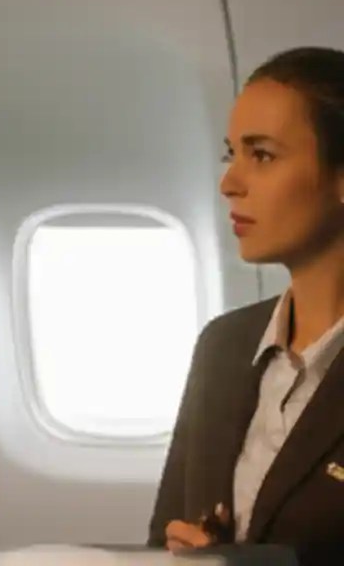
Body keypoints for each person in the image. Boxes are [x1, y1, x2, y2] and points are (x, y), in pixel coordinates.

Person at [149, 46, 344, 564]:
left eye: (262, 155)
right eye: (229, 154)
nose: (229, 183)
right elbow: (160, 541)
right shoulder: (222, 347)